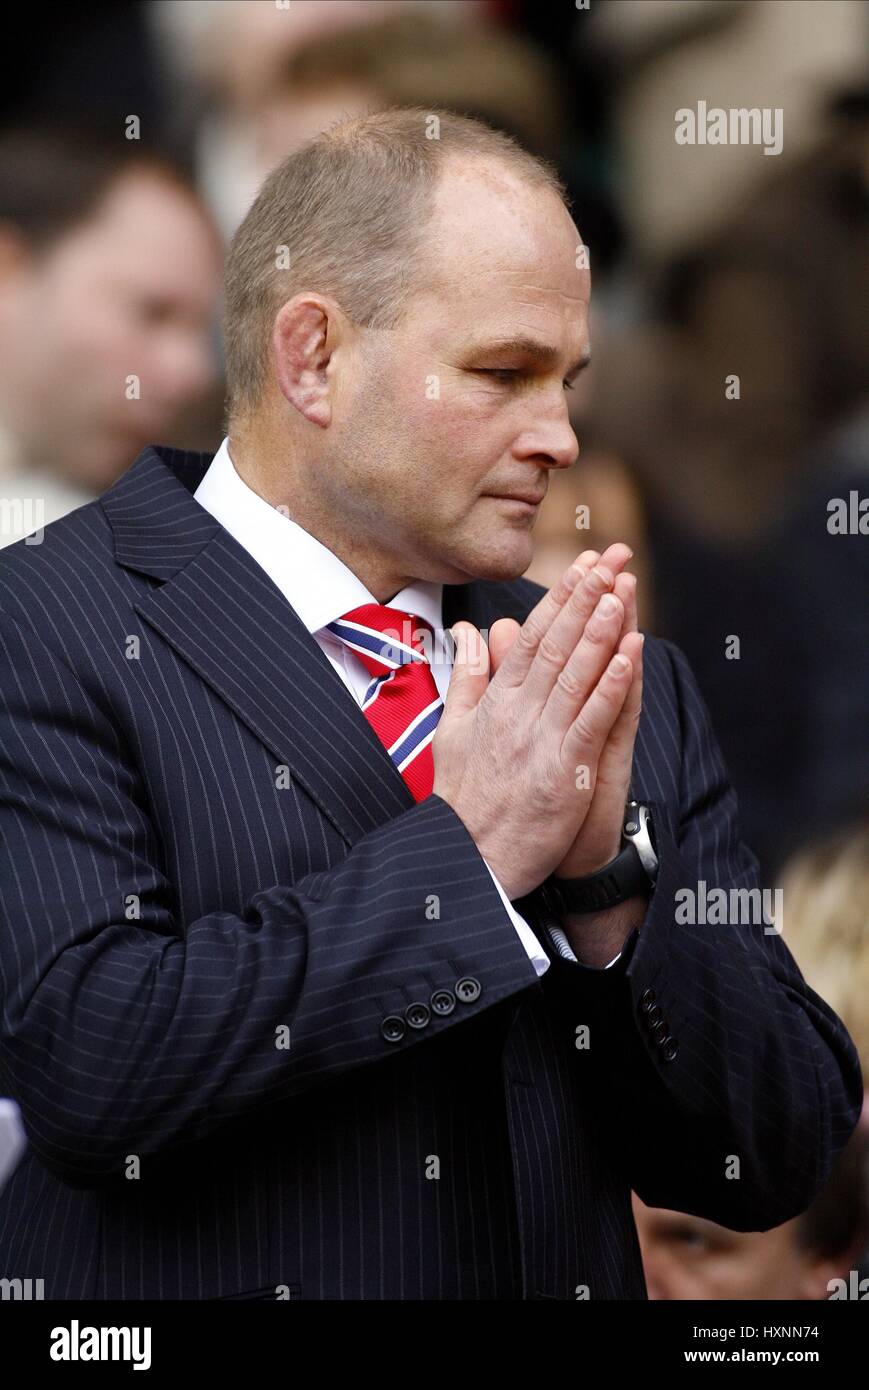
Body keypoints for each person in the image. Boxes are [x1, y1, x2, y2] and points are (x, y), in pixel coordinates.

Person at [0, 107, 861, 1301]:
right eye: (502, 373)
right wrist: (467, 858)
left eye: (566, 381)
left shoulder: (608, 669)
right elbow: (90, 1071)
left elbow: (771, 1156)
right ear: (313, 359)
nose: (558, 436)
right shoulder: (40, 620)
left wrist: (606, 887)